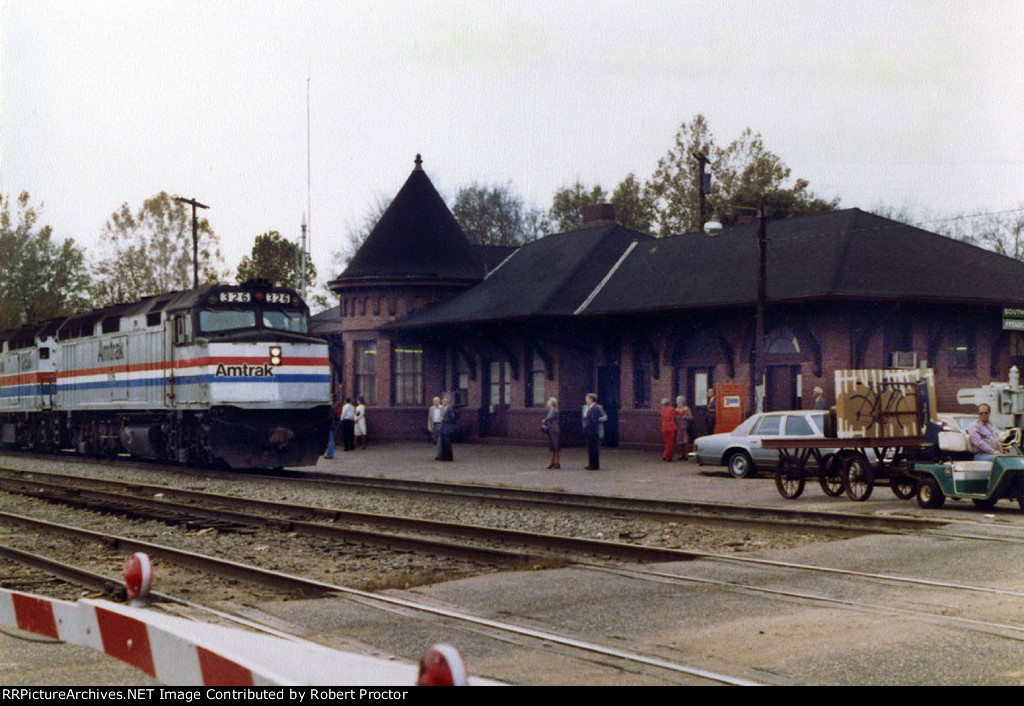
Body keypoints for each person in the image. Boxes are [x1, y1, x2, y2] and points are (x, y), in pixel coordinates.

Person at [582, 392, 606, 470]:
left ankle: (594, 465)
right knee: (591, 448)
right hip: (591, 431)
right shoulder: (587, 408)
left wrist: (598, 421)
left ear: (591, 399)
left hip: (593, 431)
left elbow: (594, 420)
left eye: (587, 398)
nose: (586, 400)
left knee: (594, 448)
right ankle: (592, 464)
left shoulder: (596, 408)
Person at [541, 396, 561, 469]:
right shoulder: (550, 410)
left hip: (555, 430)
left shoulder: (555, 411)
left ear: (551, 403)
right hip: (550, 429)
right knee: (552, 446)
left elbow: (550, 418)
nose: (547, 403)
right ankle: (552, 462)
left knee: (556, 446)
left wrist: (545, 420)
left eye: (548, 402)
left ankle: (557, 463)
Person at [674, 395, 694, 460]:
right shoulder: (676, 409)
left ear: (683, 402)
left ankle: (686, 455)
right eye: (677, 402)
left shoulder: (686, 409)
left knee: (685, 441)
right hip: (678, 427)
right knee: (679, 441)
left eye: (680, 402)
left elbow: (691, 417)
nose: (678, 403)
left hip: (684, 426)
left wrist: (686, 417)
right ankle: (681, 454)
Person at [437, 396, 456, 461]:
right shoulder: (444, 409)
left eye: (443, 401)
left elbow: (452, 418)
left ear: (447, 402)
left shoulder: (450, 409)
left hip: (448, 428)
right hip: (443, 428)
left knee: (447, 443)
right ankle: (444, 456)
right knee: (444, 443)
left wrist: (444, 419)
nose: (442, 402)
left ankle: (449, 457)